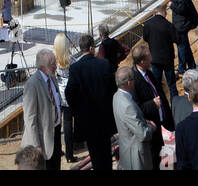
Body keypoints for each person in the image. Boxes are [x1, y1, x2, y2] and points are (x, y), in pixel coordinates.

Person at [66, 33, 115, 171]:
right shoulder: (104, 64)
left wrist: (78, 110)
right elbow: (113, 88)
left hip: (87, 120)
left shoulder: (76, 68)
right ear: (92, 48)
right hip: (105, 117)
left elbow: (69, 93)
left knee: (95, 154)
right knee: (106, 154)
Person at [129, 43, 173, 169]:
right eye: (149, 57)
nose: (152, 59)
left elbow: (161, 95)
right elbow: (136, 108)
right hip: (152, 128)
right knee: (155, 160)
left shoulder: (149, 73)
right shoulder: (134, 80)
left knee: (167, 160)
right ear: (142, 61)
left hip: (164, 124)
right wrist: (152, 104)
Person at [20, 48, 63, 170]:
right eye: (53, 64)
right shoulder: (32, 84)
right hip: (41, 140)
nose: (56, 66)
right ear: (44, 67)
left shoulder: (52, 78)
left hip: (55, 133)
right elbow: (30, 118)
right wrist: (36, 145)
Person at [112, 66, 153, 170]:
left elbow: (128, 122)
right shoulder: (128, 105)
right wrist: (151, 128)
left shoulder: (116, 96)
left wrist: (143, 121)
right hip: (136, 156)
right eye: (133, 79)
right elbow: (142, 134)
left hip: (126, 150)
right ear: (129, 83)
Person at [141, 6, 179, 98]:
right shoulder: (168, 25)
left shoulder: (148, 24)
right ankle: (175, 105)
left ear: (155, 12)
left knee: (157, 84)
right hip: (168, 59)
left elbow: (145, 38)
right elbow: (176, 39)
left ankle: (161, 105)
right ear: (165, 13)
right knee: (171, 84)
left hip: (154, 58)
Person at [168, 0, 198, 73]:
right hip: (181, 23)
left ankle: (182, 68)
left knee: (181, 46)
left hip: (181, 24)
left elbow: (182, 8)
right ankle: (191, 64)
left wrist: (172, 5)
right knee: (184, 45)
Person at [52, 33, 76, 162]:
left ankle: (57, 150)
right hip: (68, 94)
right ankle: (69, 154)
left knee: (57, 123)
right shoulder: (71, 59)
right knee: (67, 124)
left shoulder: (53, 59)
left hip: (57, 94)